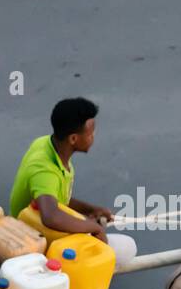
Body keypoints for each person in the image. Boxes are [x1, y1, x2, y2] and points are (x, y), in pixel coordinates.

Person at [9, 97, 113, 243]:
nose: (93, 137)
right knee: (126, 247)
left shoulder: (45, 143)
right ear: (73, 139)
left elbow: (55, 198)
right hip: (30, 239)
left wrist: (90, 210)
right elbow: (51, 216)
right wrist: (94, 228)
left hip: (37, 225)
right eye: (90, 134)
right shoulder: (44, 170)